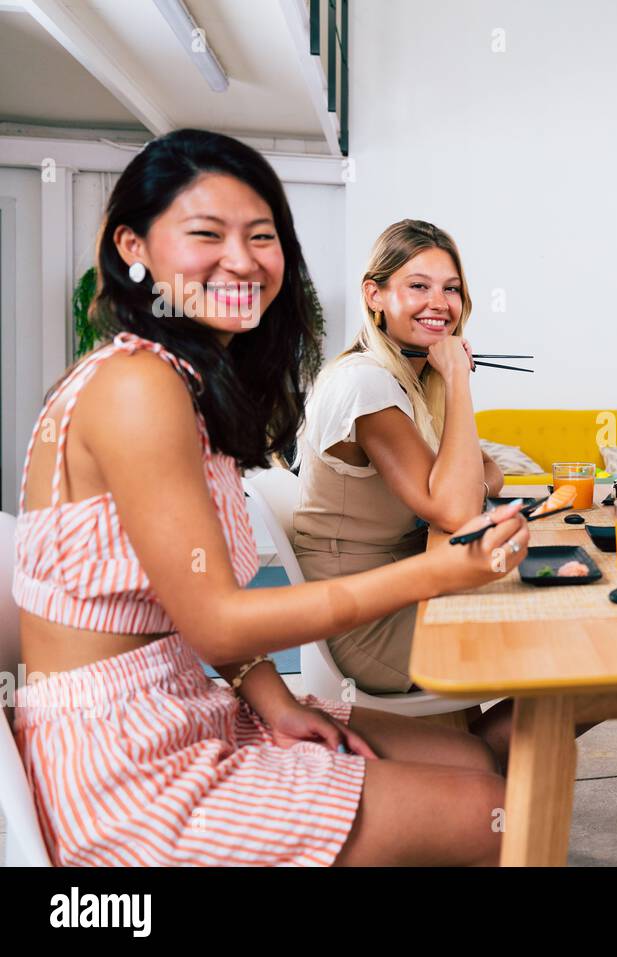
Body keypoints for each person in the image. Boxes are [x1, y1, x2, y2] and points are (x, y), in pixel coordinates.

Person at [11, 128, 529, 866]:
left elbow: (191, 608)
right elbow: (218, 619)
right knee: (500, 812)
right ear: (134, 246)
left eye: (262, 235)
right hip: (124, 763)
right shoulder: (136, 385)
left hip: (192, 703)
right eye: (205, 233)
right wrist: (441, 572)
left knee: (478, 765)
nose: (243, 258)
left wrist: (275, 699)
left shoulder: (186, 380)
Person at [293, 220, 503, 700]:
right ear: (375, 295)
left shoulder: (407, 379)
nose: (439, 303)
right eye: (417, 286)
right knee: (553, 633)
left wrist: (465, 484)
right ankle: (484, 759)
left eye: (451, 289)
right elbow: (457, 509)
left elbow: (487, 471)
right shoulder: (366, 384)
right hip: (365, 617)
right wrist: (459, 380)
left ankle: (474, 753)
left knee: (550, 599)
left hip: (400, 579)